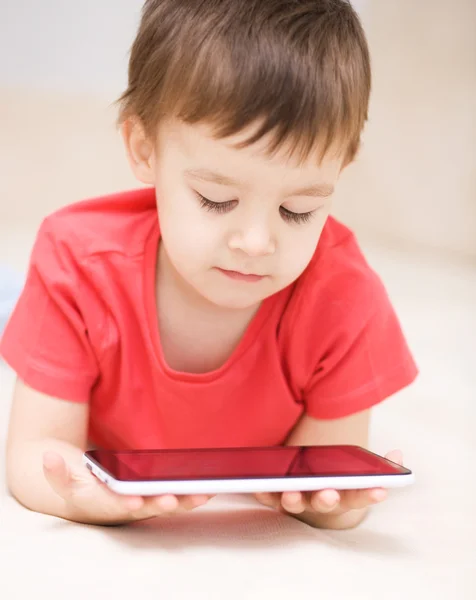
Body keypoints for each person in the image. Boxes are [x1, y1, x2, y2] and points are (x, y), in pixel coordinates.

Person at [0, 0, 417, 529]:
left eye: (299, 210)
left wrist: (327, 505)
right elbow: (35, 453)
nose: (256, 242)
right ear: (144, 148)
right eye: (216, 199)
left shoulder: (344, 297)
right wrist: (77, 498)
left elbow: (326, 477)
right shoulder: (77, 264)